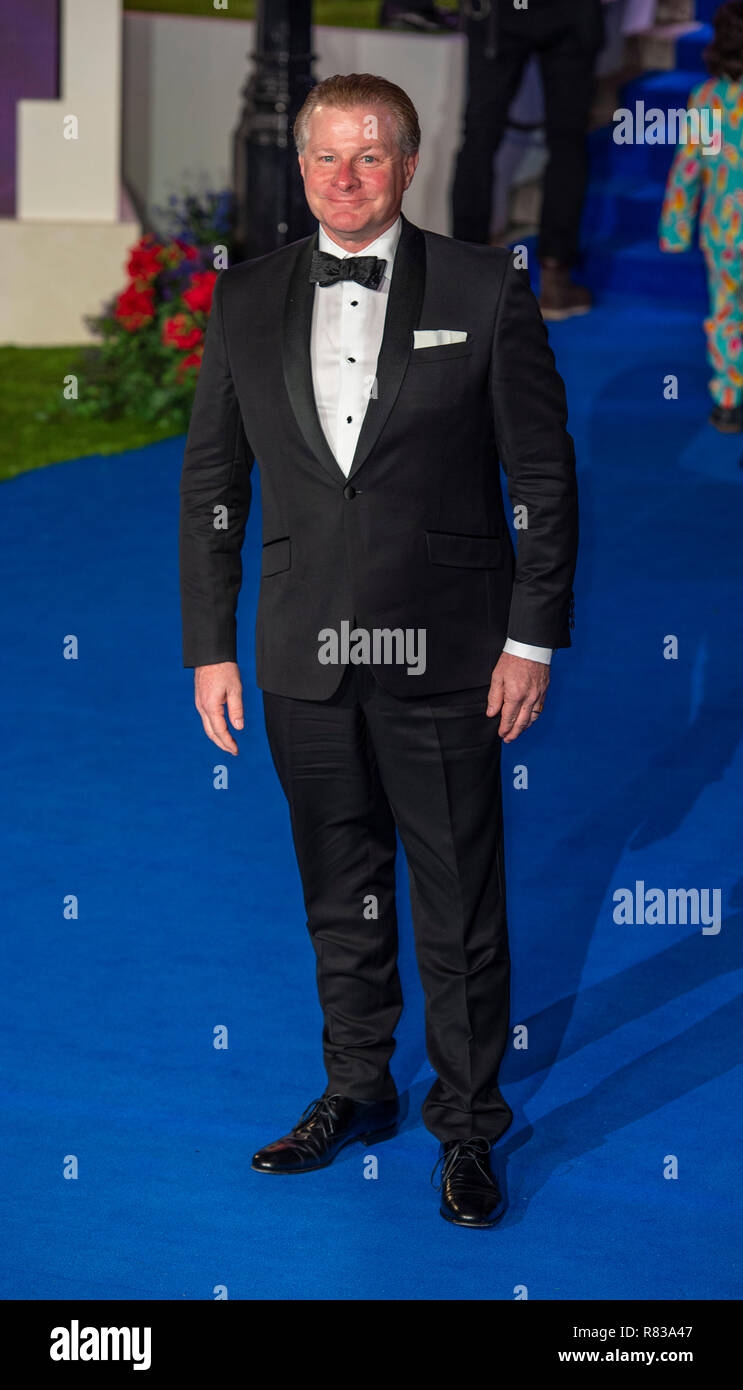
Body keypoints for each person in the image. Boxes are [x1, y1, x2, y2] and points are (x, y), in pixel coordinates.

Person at [179, 73, 578, 1227]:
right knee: (337, 889)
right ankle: (356, 1088)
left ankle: (466, 1126)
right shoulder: (242, 298)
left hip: (450, 652)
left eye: (368, 157)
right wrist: (211, 644)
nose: (343, 180)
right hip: (300, 654)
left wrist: (529, 638)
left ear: (406, 165)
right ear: (297, 167)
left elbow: (542, 483)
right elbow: (212, 483)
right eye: (323, 158)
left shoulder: (482, 288)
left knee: (459, 901)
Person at [451, 0, 605, 320]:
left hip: (503, 15)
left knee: (480, 139)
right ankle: (555, 278)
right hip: (563, 15)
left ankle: (466, 279)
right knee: (566, 142)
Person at [659, 0, 743, 434]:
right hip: (725, 229)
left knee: (727, 311)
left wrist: (676, 226)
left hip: (725, 230)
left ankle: (729, 400)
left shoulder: (708, 100)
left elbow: (689, 168)